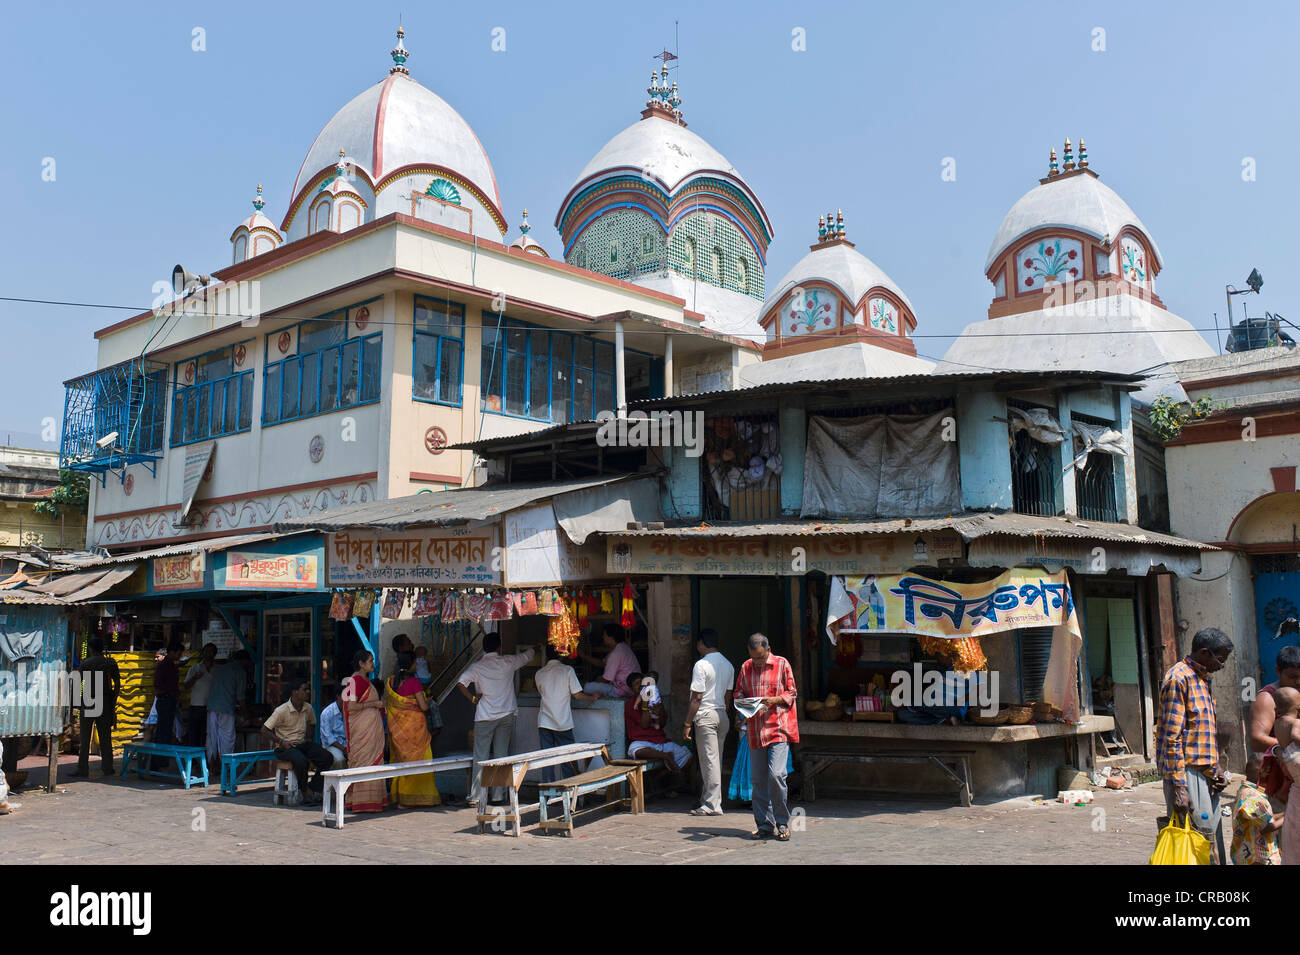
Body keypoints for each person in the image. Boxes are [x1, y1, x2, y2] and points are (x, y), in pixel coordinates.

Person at [1155, 627, 1234, 845]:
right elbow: (1171, 737)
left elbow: (1201, 733)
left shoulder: (1201, 679)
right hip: (1187, 774)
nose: (1222, 665)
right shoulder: (1178, 678)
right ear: (1204, 652)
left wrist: (1215, 767)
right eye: (1220, 659)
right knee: (1193, 841)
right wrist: (1180, 787)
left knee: (1208, 840)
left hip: (1205, 774)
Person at [735, 632, 799, 841]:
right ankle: (763, 825)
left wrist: (774, 699)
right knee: (758, 780)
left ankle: (782, 823)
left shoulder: (782, 664)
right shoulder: (746, 668)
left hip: (778, 728)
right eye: (754, 658)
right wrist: (744, 707)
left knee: (777, 775)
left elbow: (792, 692)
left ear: (768, 650)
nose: (758, 662)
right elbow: (738, 694)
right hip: (754, 730)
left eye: (761, 657)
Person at [458, 634, 534, 806]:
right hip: (506, 714)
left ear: (485, 647)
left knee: (481, 755)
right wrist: (534, 647)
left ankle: (477, 795)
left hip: (485, 716)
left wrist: (472, 698)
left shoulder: (477, 667)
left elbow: (461, 682)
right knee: (501, 755)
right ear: (499, 647)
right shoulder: (507, 662)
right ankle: (498, 795)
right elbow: (526, 657)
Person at [683, 628, 734, 816]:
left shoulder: (701, 665)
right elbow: (728, 696)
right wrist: (722, 711)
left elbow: (697, 697)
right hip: (721, 714)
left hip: (706, 715)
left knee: (709, 761)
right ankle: (708, 799)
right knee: (715, 760)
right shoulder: (728, 664)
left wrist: (687, 723)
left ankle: (712, 804)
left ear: (701, 643)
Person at [535, 645, 600, 783]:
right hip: (562, 722)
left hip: (545, 721)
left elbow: (542, 693)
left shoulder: (539, 673)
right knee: (567, 759)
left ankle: (547, 793)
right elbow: (577, 695)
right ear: (561, 655)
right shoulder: (567, 670)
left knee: (546, 760)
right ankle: (569, 790)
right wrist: (592, 698)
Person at [262, 680, 332, 805]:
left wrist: (309, 739)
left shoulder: (308, 707)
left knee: (327, 757)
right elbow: (264, 730)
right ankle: (305, 792)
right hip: (284, 747)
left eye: (307, 689)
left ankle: (312, 788)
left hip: (301, 743)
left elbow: (312, 723)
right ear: (295, 692)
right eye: (304, 689)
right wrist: (281, 741)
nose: (307, 692)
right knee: (301, 760)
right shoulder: (281, 710)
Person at [385, 651, 439, 807]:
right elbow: (422, 706)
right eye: (415, 662)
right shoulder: (414, 682)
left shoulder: (391, 682)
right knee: (422, 761)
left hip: (398, 732)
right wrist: (428, 701)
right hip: (416, 731)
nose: (417, 664)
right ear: (411, 664)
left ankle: (401, 799)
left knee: (402, 761)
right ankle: (420, 798)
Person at [1248, 643, 1300, 804]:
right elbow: (1257, 740)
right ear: (1278, 671)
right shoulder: (1268, 698)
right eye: (1292, 677)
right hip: (1279, 778)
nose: (1298, 681)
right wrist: (1289, 748)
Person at [340, 650, 385, 813]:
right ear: (361, 663)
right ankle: (361, 801)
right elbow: (352, 706)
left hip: (370, 729)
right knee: (363, 761)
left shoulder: (366, 680)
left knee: (371, 760)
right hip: (361, 730)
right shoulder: (355, 680)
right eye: (370, 661)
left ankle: (372, 800)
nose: (373, 664)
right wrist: (374, 704)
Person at [624, 671, 692, 772]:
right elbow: (644, 725)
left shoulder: (654, 697)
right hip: (642, 742)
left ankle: (661, 778)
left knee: (688, 757)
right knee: (634, 749)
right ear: (631, 689)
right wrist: (645, 706)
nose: (639, 686)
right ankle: (666, 756)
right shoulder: (631, 704)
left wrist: (658, 713)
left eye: (641, 682)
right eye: (636, 684)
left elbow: (662, 724)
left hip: (659, 741)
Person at [74, 636, 121, 777]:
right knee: (105, 737)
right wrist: (113, 700)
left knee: (85, 738)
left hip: (88, 701)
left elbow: (77, 685)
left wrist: (76, 705)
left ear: (91, 649)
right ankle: (108, 767)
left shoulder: (85, 663)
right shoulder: (110, 662)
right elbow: (117, 683)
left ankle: (82, 769)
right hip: (105, 700)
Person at [1232, 752, 1283, 865]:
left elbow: (1266, 818)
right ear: (1263, 773)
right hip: (1257, 859)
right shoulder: (1252, 797)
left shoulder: (1247, 792)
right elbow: (1267, 826)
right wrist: (1288, 817)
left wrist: (1287, 813)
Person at [205, 651, 253, 768]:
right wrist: (247, 715)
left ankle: (211, 767)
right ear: (244, 661)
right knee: (226, 738)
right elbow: (240, 698)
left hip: (212, 707)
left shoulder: (220, 669)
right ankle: (225, 768)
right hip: (226, 708)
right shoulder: (240, 672)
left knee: (212, 737)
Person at [1271, 686, 1300, 863]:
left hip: (1291, 767)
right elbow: (1296, 735)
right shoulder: (1295, 722)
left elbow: (1281, 748)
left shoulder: (1278, 723)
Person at [580, 623, 638, 698]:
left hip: (624, 690)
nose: (603, 637)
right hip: (629, 688)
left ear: (611, 637)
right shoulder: (622, 647)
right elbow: (602, 663)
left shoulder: (616, 653)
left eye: (604, 635)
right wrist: (584, 656)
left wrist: (594, 682)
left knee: (588, 687)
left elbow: (606, 679)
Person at [150, 640, 184, 769]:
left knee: (165, 731)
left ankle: (160, 760)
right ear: (173, 652)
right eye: (179, 653)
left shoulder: (170, 664)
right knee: (163, 732)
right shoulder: (165, 665)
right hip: (166, 699)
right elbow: (159, 684)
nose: (180, 656)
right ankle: (157, 762)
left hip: (168, 699)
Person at [183, 643, 218, 750]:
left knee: (208, 735)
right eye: (206, 651)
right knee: (194, 735)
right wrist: (194, 678)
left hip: (212, 707)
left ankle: (206, 760)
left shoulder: (218, 669)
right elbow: (185, 686)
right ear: (202, 653)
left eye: (211, 651)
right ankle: (193, 761)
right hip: (196, 706)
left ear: (215, 654)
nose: (208, 654)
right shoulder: (195, 668)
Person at [319, 690, 348, 770]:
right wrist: (344, 749)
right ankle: (340, 782)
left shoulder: (350, 710)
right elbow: (329, 738)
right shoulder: (327, 713)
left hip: (346, 745)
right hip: (331, 746)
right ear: (338, 696)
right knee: (339, 760)